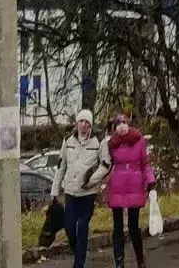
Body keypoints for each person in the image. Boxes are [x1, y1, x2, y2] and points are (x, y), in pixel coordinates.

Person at [58, 109, 112, 268]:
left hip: (87, 193)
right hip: (70, 192)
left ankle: (78, 264)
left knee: (81, 227)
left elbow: (105, 165)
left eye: (87, 122)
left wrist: (90, 180)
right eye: (81, 121)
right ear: (77, 123)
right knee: (69, 228)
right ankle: (80, 251)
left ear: (90, 125)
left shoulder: (99, 141)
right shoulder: (68, 141)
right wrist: (55, 191)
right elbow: (62, 166)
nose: (83, 124)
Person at [105, 113, 156, 268]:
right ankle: (119, 263)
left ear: (128, 125)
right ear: (115, 128)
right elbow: (106, 165)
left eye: (124, 123)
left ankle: (140, 259)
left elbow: (145, 164)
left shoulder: (138, 140)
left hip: (134, 185)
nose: (121, 127)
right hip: (117, 186)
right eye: (118, 124)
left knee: (133, 226)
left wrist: (151, 181)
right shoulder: (111, 144)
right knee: (118, 227)